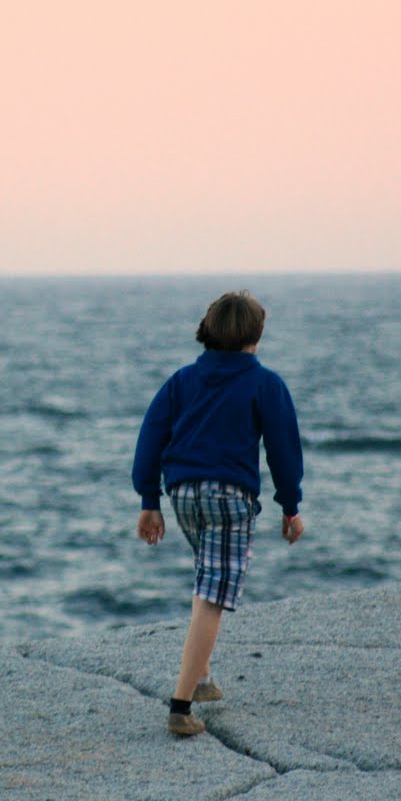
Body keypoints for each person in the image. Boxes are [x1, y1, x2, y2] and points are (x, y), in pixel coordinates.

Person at [132, 290, 305, 736]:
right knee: (213, 597)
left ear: (206, 331)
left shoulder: (181, 381)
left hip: (184, 495)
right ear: (257, 336)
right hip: (230, 499)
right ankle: (181, 704)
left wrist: (149, 501)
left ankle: (203, 676)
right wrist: (291, 506)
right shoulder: (265, 384)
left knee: (205, 579)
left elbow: (150, 439)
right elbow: (283, 450)